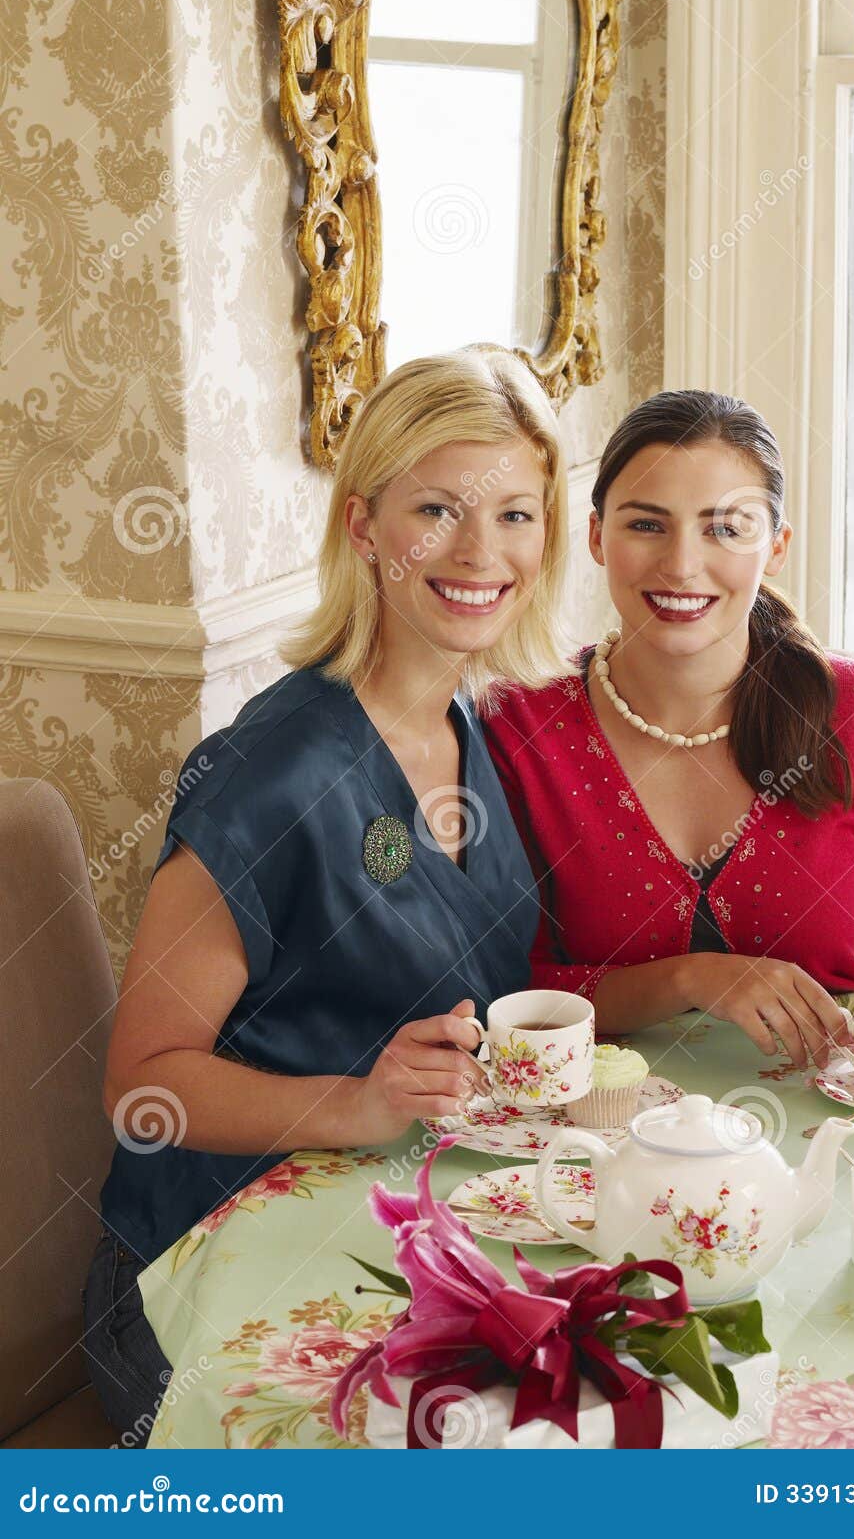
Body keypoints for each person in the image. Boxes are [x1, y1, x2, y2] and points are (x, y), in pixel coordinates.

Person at [84, 347, 569, 1443]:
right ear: (364, 528)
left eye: (514, 515)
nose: (479, 552)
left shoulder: (476, 724)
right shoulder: (271, 774)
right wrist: (358, 1104)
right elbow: (141, 1085)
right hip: (199, 1272)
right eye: (436, 510)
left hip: (390, 1232)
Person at [484, 389, 854, 1088]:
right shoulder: (520, 724)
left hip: (839, 1121)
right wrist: (690, 978)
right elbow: (505, 983)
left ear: (775, 547)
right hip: (594, 1130)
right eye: (646, 524)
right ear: (595, 536)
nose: (682, 564)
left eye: (725, 529)